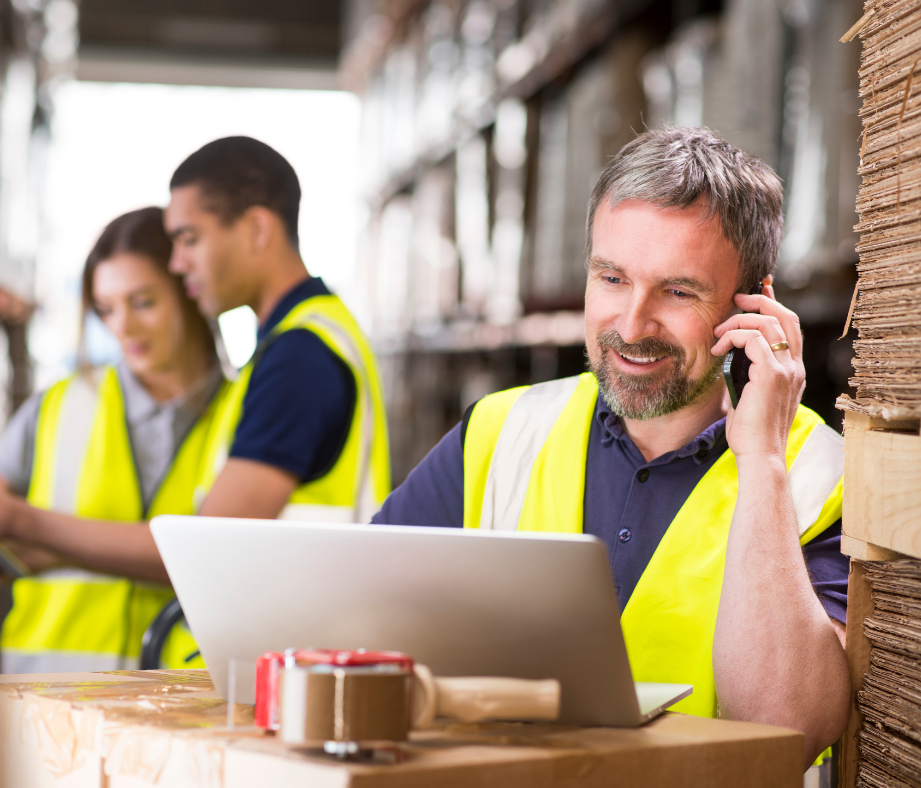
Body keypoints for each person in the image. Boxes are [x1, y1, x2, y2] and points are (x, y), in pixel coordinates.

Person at [372, 127, 849, 768]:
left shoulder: (819, 475)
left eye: (678, 291)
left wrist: (761, 458)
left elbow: (782, 729)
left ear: (754, 309)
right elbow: (358, 630)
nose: (631, 325)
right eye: (613, 278)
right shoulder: (500, 431)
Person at [0, 207, 227, 672]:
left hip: (184, 707)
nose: (123, 328)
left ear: (189, 290)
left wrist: (34, 531)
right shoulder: (56, 407)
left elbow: (218, 563)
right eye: (107, 309)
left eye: (143, 302)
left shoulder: (244, 415)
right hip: (52, 703)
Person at [164, 136, 390, 522]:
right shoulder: (296, 338)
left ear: (256, 229)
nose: (177, 263)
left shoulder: (300, 358)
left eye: (190, 239)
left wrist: (31, 525)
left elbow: (212, 544)